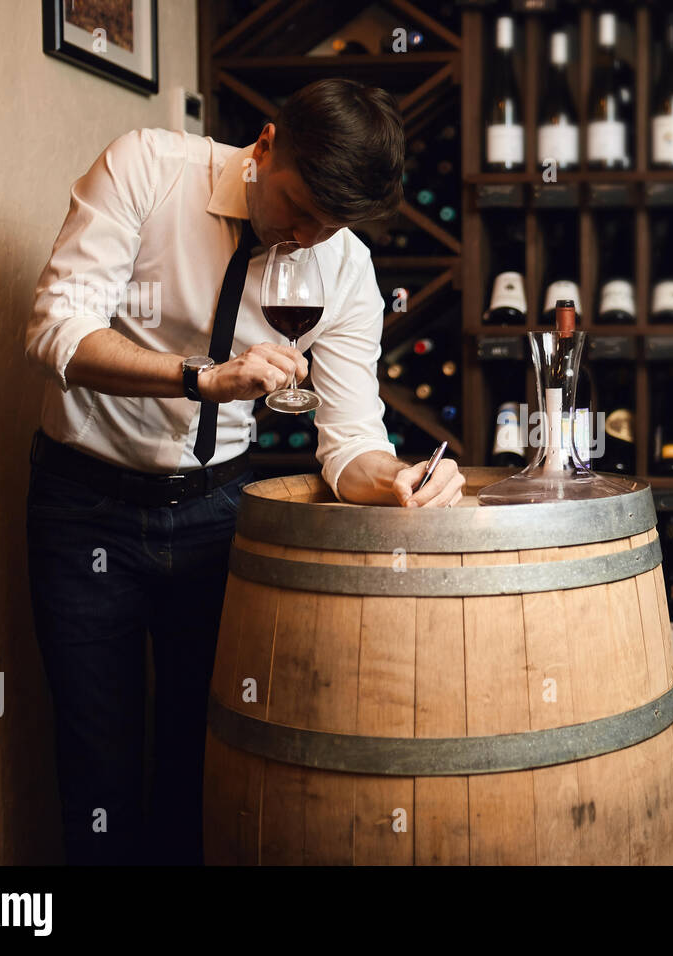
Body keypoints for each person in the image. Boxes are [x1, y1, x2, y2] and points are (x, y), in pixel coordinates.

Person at [23, 78, 464, 864]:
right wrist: (202, 377)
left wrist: (395, 479)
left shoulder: (344, 267)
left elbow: (348, 444)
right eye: (294, 209)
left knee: (209, 756)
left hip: (220, 514)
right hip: (85, 507)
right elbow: (57, 332)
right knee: (98, 765)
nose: (301, 238)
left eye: (326, 228)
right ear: (264, 146)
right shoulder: (147, 169)